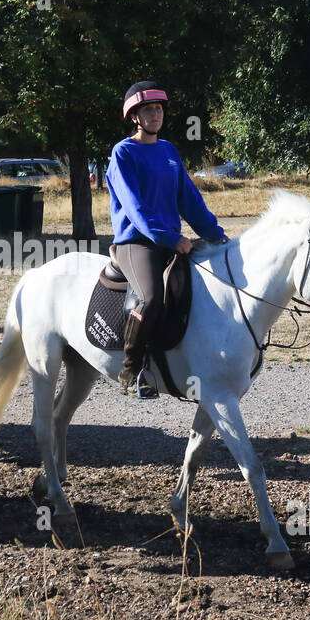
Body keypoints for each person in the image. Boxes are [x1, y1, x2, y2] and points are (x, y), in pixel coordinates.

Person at [105, 81, 228, 397]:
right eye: (148, 109)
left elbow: (189, 199)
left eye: (159, 109)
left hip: (171, 239)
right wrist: (170, 238)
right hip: (136, 242)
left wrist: (216, 235)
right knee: (150, 298)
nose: (155, 114)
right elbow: (136, 208)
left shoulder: (169, 150)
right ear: (135, 116)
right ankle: (131, 370)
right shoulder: (123, 153)